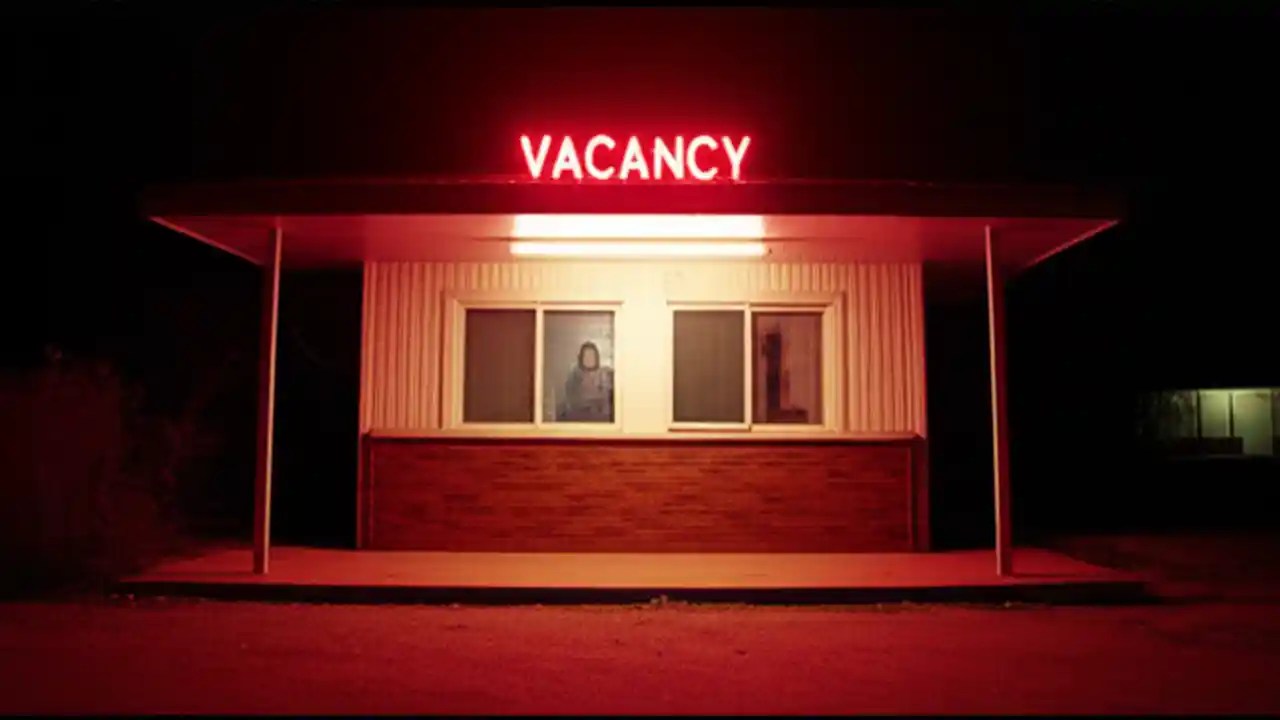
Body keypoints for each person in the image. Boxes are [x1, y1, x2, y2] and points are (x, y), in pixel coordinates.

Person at [560, 341, 613, 422]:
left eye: (592, 356)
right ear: (581, 358)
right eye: (586, 356)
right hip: (579, 421)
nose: (589, 359)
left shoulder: (605, 375)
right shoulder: (574, 377)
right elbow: (571, 402)